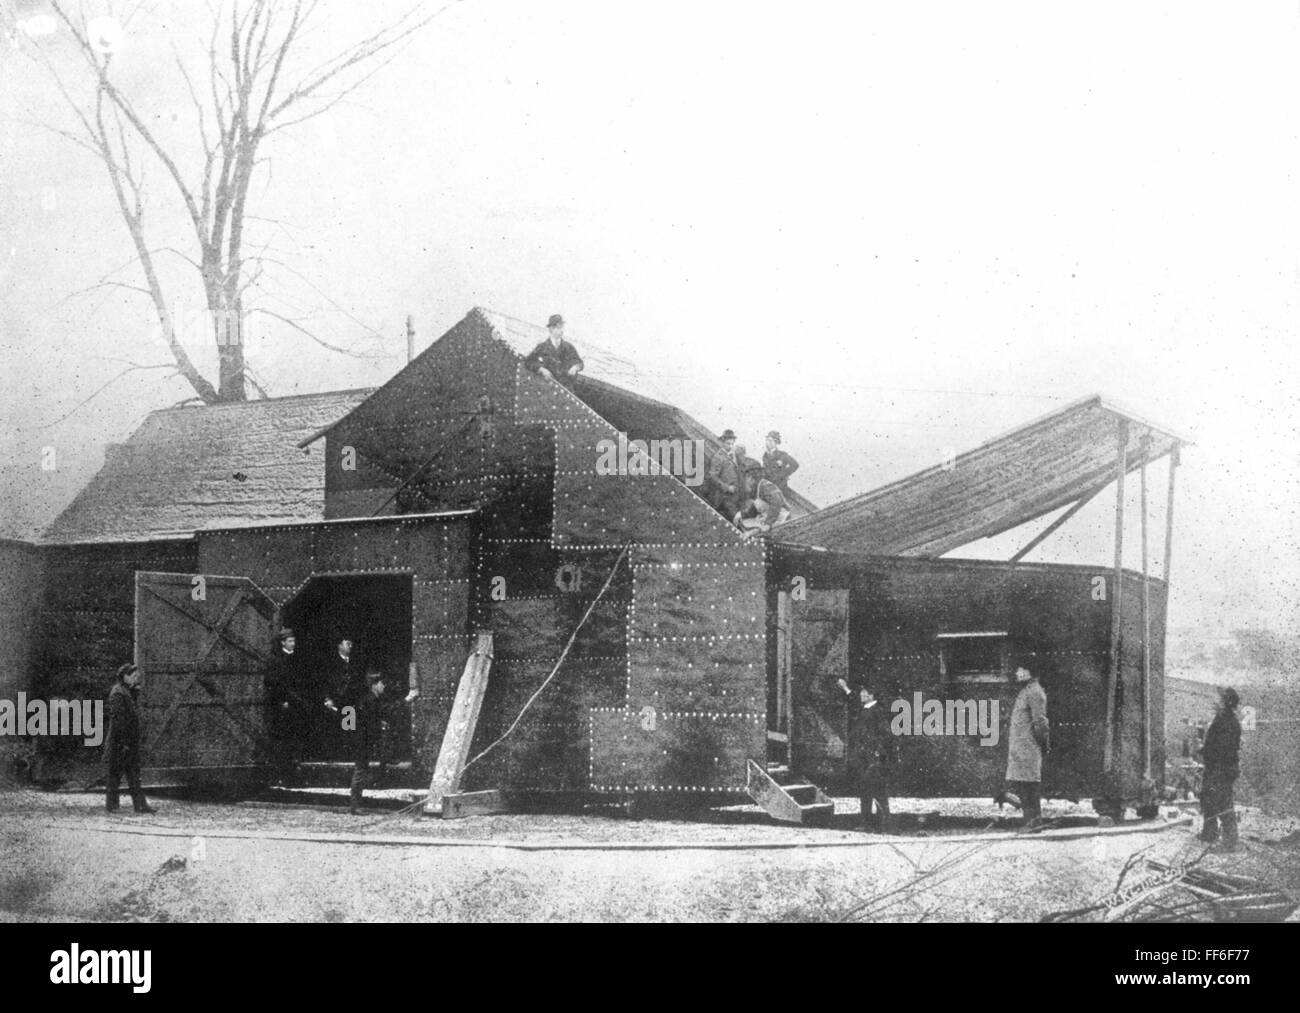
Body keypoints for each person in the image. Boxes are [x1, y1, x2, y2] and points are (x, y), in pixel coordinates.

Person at [839, 678, 896, 832]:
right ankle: (875, 823)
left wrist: (878, 753)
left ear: (871, 696)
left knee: (875, 791)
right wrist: (845, 688)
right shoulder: (867, 708)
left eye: (864, 694)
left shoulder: (877, 711)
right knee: (869, 791)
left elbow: (886, 734)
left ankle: (878, 824)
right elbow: (854, 702)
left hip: (872, 759)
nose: (861, 696)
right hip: (865, 758)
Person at [1001, 666, 1049, 828]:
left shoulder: (1035, 692)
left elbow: (1040, 722)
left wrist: (1043, 743)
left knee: (1030, 786)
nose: (1016, 673)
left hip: (1029, 746)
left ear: (1030, 672)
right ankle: (1030, 821)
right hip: (1021, 747)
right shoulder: (1026, 691)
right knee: (1024, 785)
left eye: (1020, 670)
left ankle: (1033, 822)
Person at [105, 662, 154, 814]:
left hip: (125, 742)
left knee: (131, 775)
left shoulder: (125, 691)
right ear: (125, 676)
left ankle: (139, 805)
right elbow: (119, 720)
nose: (136, 679)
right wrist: (124, 743)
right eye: (133, 676)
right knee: (117, 775)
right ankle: (115, 805)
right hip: (120, 742)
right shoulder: (118, 693)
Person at [1199, 687, 1242, 850]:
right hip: (1215, 767)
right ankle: (1209, 833)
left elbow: (1224, 749)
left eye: (1218, 699)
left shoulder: (1230, 722)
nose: (1214, 701)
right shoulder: (1221, 718)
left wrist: (1206, 750)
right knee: (1209, 800)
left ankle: (1230, 841)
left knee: (1223, 803)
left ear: (1226, 702)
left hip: (1222, 768)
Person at [264, 627, 307, 785]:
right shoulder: (275, 660)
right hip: (282, 706)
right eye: (290, 641)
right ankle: (282, 774)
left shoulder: (297, 659)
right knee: (282, 741)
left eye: (294, 641)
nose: (293, 644)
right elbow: (272, 683)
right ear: (283, 642)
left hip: (296, 704)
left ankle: (295, 774)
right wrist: (282, 700)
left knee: (296, 740)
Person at [346, 670, 390, 815]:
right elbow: (371, 722)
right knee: (360, 772)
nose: (384, 687)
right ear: (374, 685)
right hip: (362, 742)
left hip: (363, 741)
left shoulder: (370, 699)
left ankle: (357, 804)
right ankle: (355, 806)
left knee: (362, 771)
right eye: (382, 684)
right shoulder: (371, 700)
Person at [523, 314, 584, 383]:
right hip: (547, 387)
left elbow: (580, 363)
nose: (561, 329)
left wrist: (575, 367)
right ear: (551, 329)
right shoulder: (542, 347)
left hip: (565, 388)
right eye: (558, 327)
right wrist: (541, 369)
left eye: (562, 327)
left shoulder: (569, 347)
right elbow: (528, 362)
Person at [707, 430, 742, 519]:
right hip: (724, 497)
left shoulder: (733, 455)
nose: (730, 446)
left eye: (732, 444)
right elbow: (712, 477)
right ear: (722, 442)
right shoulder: (718, 457)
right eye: (728, 444)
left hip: (734, 496)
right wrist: (727, 488)